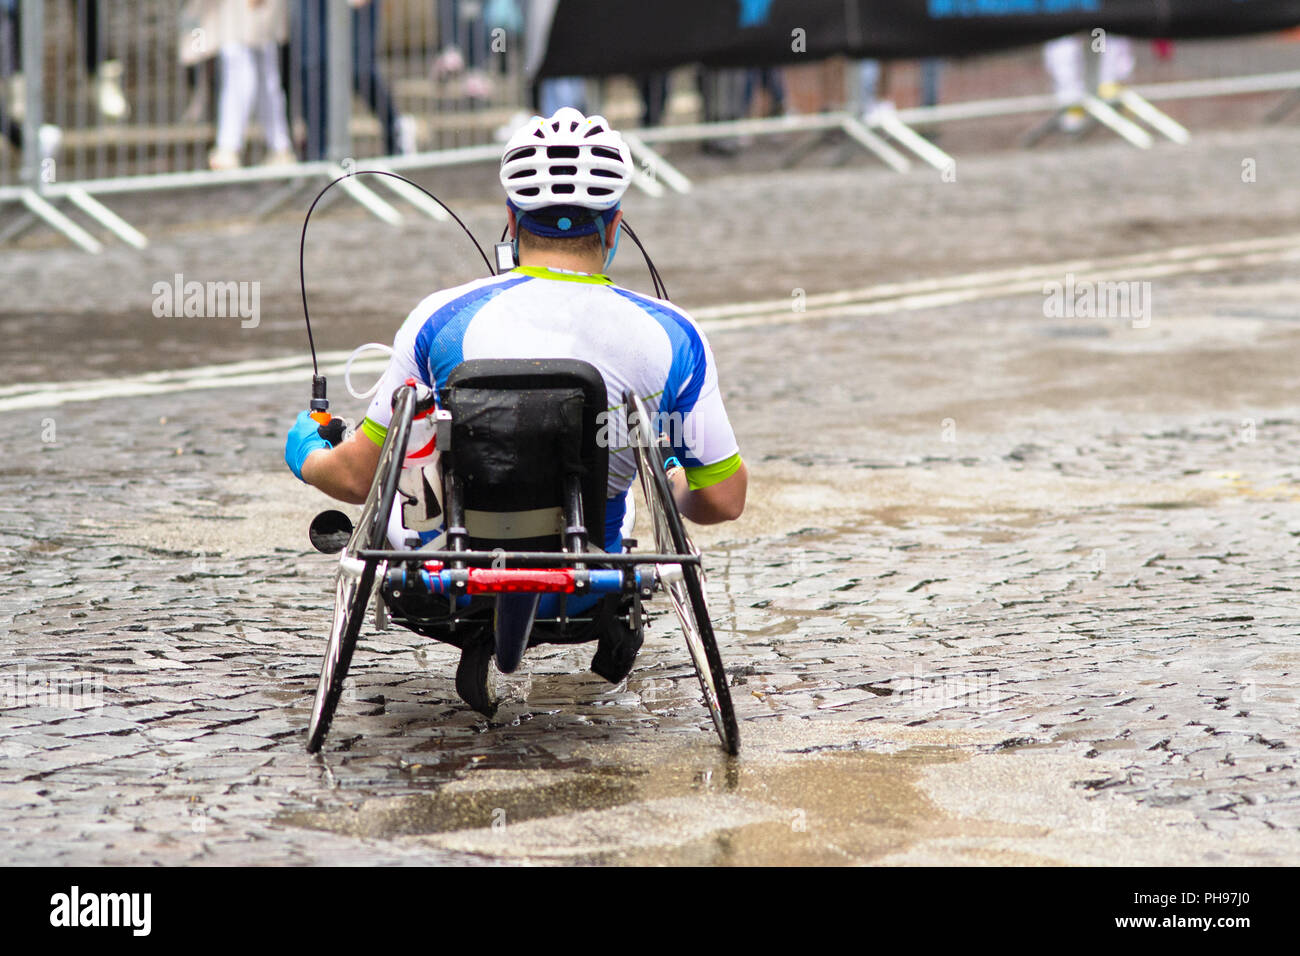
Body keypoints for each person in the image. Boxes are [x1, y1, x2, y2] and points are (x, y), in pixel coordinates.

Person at [283, 107, 748, 685]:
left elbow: (357, 479)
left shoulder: (440, 320)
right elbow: (724, 499)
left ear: (511, 219)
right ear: (614, 227)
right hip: (586, 584)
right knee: (623, 497)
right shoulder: (673, 334)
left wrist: (306, 452)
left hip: (454, 577)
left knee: (410, 478)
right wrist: (674, 477)